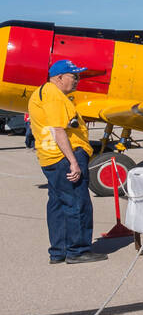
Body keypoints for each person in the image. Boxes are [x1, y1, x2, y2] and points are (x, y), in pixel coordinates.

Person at [29, 60, 107, 264]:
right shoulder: (54, 96)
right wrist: (73, 161)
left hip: (51, 158)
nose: (77, 81)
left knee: (58, 204)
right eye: (74, 76)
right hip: (65, 156)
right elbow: (58, 129)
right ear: (59, 77)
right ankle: (78, 250)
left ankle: (59, 251)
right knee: (77, 204)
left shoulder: (42, 92)